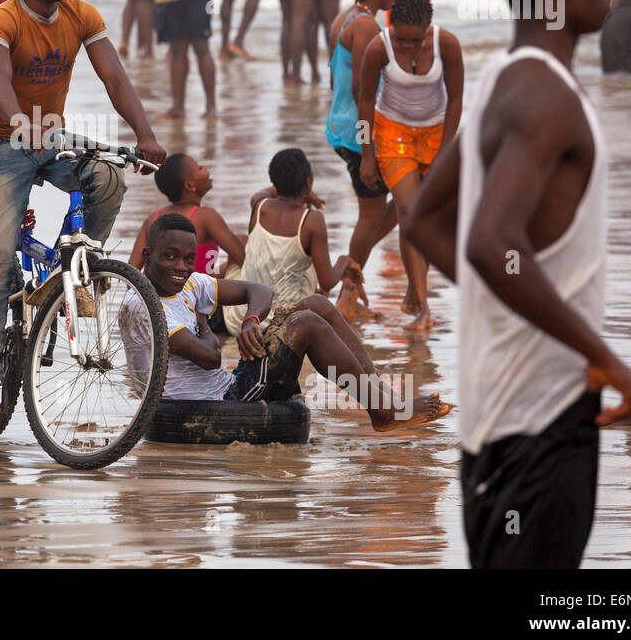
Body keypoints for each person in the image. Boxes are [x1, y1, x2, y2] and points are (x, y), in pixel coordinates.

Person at [405, 0, 631, 569]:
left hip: (492, 428)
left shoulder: (499, 81)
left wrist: (503, 298)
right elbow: (488, 241)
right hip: (544, 423)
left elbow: (426, 220)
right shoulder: (550, 98)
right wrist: (602, 353)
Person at [0, 0, 166, 419]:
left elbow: (113, 76)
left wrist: (146, 135)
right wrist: (17, 123)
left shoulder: (81, 15)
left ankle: (75, 275)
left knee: (108, 176)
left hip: (52, 142)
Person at [120, 213, 447, 429]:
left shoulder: (190, 283)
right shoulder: (142, 306)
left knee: (316, 304)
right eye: (169, 256)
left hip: (229, 387)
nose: (180, 267)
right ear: (147, 257)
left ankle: (381, 400)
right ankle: (383, 411)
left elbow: (258, 289)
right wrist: (203, 322)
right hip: (208, 404)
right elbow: (210, 357)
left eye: (188, 259)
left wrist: (250, 319)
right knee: (305, 323)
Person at [359, 0, 462, 332]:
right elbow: (364, 101)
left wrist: (447, 150)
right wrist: (367, 154)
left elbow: (457, 98)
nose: (406, 45)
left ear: (427, 28)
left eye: (414, 40)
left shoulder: (447, 43)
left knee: (428, 218)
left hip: (436, 135)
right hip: (392, 134)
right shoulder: (379, 47)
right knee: (410, 212)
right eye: (400, 38)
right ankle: (424, 307)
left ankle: (413, 292)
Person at [222, 148, 363, 337]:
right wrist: (344, 261)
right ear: (308, 181)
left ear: (273, 179)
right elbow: (327, 281)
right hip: (286, 322)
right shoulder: (312, 220)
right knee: (309, 263)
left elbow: (265, 191)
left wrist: (300, 189)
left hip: (243, 318)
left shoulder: (259, 204)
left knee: (244, 250)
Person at [326, 0, 397, 321]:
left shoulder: (345, 17)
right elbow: (360, 88)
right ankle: (347, 295)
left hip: (342, 127)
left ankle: (350, 288)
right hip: (359, 134)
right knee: (376, 212)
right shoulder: (367, 25)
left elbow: (334, 78)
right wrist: (368, 151)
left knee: (392, 203)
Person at [127, 153, 245, 277]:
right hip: (194, 292)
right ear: (189, 186)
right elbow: (244, 260)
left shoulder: (152, 219)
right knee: (243, 240)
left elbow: (131, 271)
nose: (205, 168)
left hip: (163, 291)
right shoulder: (206, 216)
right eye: (200, 168)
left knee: (224, 266)